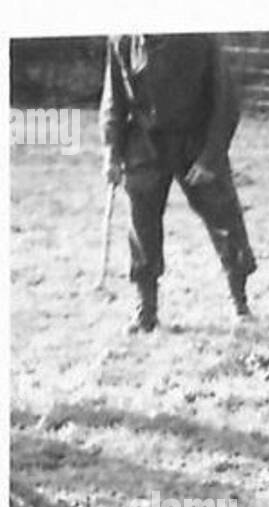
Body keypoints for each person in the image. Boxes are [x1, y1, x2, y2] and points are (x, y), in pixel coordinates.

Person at [100, 33, 257, 333]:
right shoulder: (122, 38)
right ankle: (146, 311)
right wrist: (112, 151)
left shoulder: (200, 36)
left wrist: (210, 157)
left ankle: (240, 302)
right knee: (142, 225)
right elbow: (114, 99)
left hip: (196, 140)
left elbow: (225, 101)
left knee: (225, 219)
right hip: (145, 143)